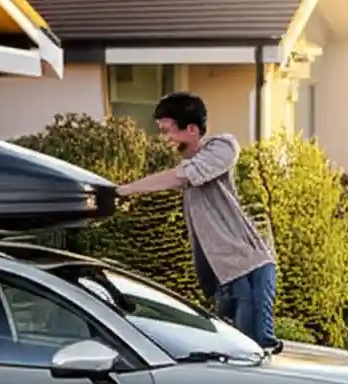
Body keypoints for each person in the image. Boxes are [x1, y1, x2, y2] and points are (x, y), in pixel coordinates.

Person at [115, 92, 281, 352]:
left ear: (192, 129)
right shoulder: (189, 166)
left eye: (168, 131)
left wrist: (124, 190)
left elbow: (182, 177)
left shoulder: (222, 147)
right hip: (224, 275)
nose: (165, 139)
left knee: (255, 349)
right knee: (234, 353)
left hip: (249, 268)